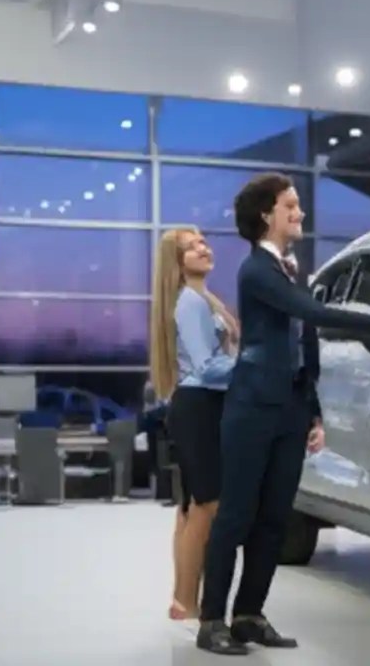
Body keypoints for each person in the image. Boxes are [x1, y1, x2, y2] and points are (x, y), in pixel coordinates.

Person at [196, 172, 370, 655]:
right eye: (291, 206)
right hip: (252, 407)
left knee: (276, 518)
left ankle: (249, 615)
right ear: (266, 215)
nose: (300, 213)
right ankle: (211, 619)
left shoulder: (289, 269)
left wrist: (313, 411)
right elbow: (315, 315)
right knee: (236, 516)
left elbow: (304, 343)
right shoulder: (256, 270)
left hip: (290, 409)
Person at [148, 227, 239, 622]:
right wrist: (255, 368)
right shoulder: (190, 302)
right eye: (191, 247)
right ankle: (187, 600)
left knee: (191, 508)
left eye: (203, 242)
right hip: (199, 405)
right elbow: (208, 366)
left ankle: (183, 599)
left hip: (202, 406)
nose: (203, 249)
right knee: (207, 507)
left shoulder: (203, 300)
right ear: (177, 261)